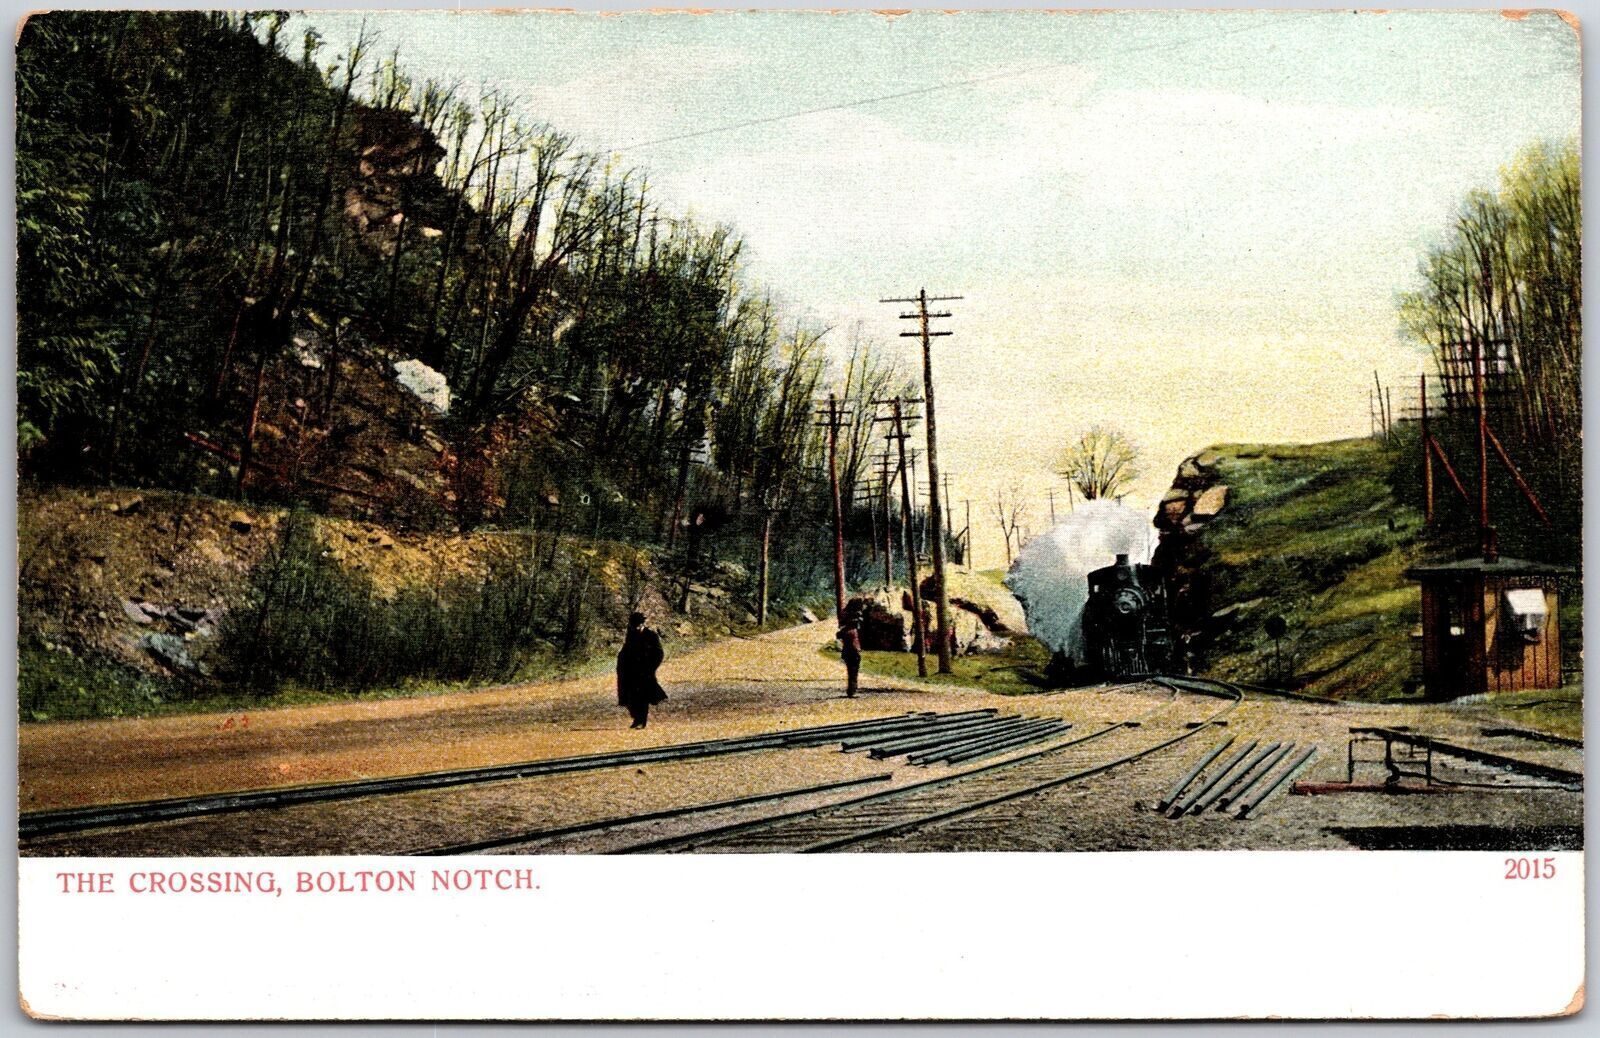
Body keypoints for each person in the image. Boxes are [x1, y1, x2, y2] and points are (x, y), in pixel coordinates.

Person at [616, 611, 667, 729]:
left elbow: (659, 653)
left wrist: (651, 668)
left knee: (643, 697)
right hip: (631, 672)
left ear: (642, 624)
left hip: (645, 672)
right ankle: (636, 717)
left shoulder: (651, 635)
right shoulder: (631, 634)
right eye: (634, 625)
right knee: (630, 697)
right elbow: (626, 651)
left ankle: (641, 720)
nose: (637, 627)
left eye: (638, 625)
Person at [837, 616, 862, 698]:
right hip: (854, 653)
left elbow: (838, 635)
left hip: (847, 654)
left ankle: (851, 690)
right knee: (853, 673)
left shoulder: (845, 631)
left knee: (851, 672)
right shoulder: (853, 631)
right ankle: (852, 690)